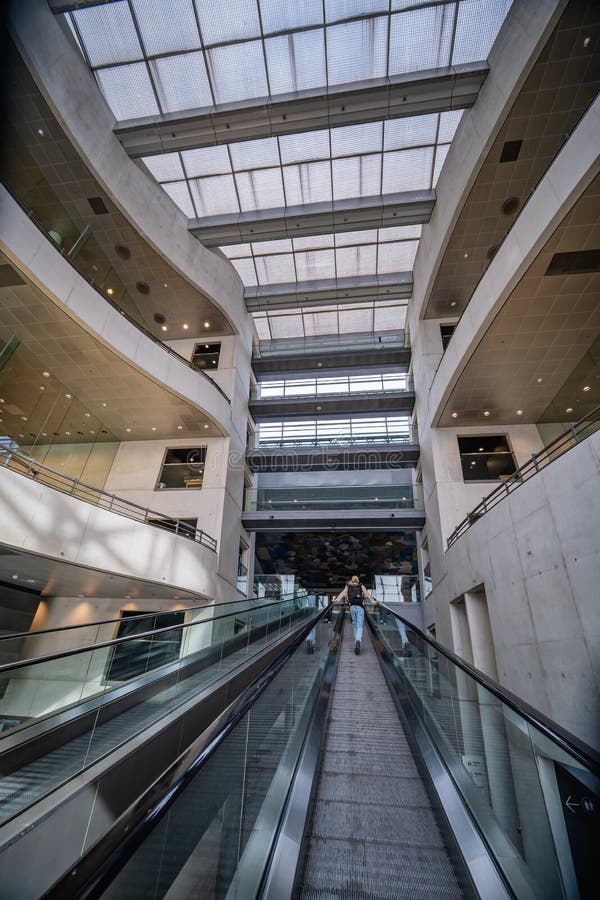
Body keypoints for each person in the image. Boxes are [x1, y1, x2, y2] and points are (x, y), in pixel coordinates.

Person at [333, 575, 378, 655]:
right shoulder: (361, 586)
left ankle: (356, 641)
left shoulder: (348, 586)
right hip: (360, 607)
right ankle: (358, 640)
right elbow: (367, 594)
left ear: (352, 580)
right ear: (357, 580)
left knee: (355, 625)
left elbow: (342, 594)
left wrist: (336, 600)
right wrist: (374, 602)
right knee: (360, 626)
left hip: (352, 607)